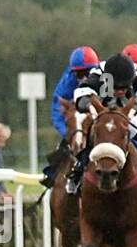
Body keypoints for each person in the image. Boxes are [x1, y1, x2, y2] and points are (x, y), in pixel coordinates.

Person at [65, 53, 137, 194]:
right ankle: (78, 169)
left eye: (124, 88)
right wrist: (89, 106)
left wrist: (135, 109)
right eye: (116, 87)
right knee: (90, 129)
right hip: (104, 113)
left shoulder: (136, 73)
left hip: (129, 114)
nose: (120, 91)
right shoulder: (98, 72)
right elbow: (82, 93)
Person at [41, 45, 101, 186]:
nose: (84, 78)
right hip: (77, 123)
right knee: (61, 153)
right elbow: (57, 111)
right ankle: (52, 179)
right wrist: (68, 133)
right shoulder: (67, 83)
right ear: (73, 72)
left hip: (99, 121)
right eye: (79, 74)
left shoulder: (104, 78)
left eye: (88, 73)